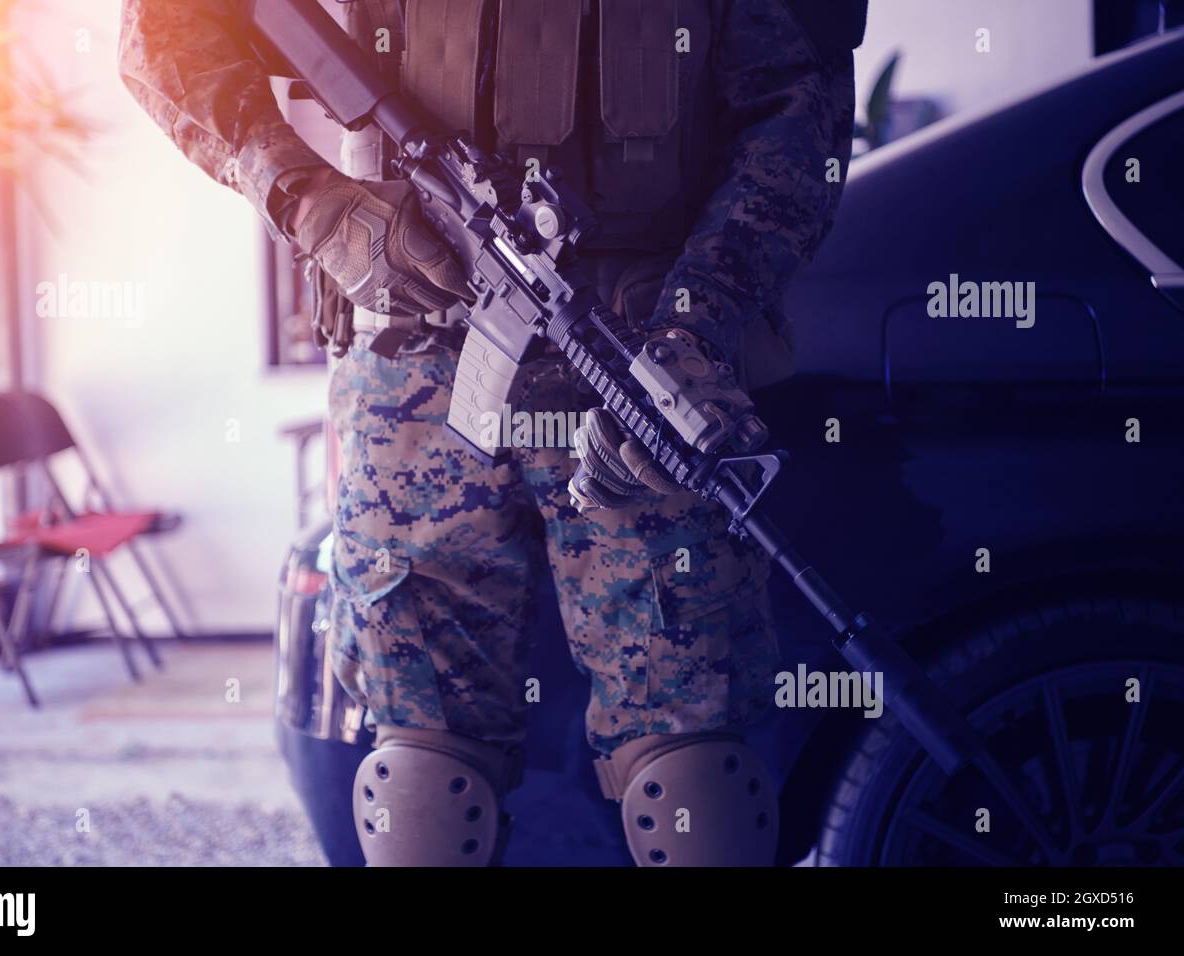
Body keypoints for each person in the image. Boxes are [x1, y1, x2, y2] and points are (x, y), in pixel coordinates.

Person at [119, 0, 864, 866]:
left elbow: (797, 109)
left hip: (640, 364)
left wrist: (699, 323)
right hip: (416, 349)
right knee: (424, 763)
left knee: (696, 758)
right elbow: (165, 27)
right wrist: (311, 199)